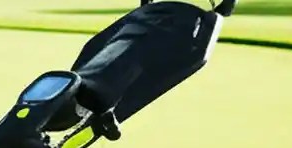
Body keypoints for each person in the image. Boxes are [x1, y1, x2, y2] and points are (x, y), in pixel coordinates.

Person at [70, 0, 223, 123]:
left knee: (136, 43)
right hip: (173, 19)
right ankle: (85, 97)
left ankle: (87, 97)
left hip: (174, 19)